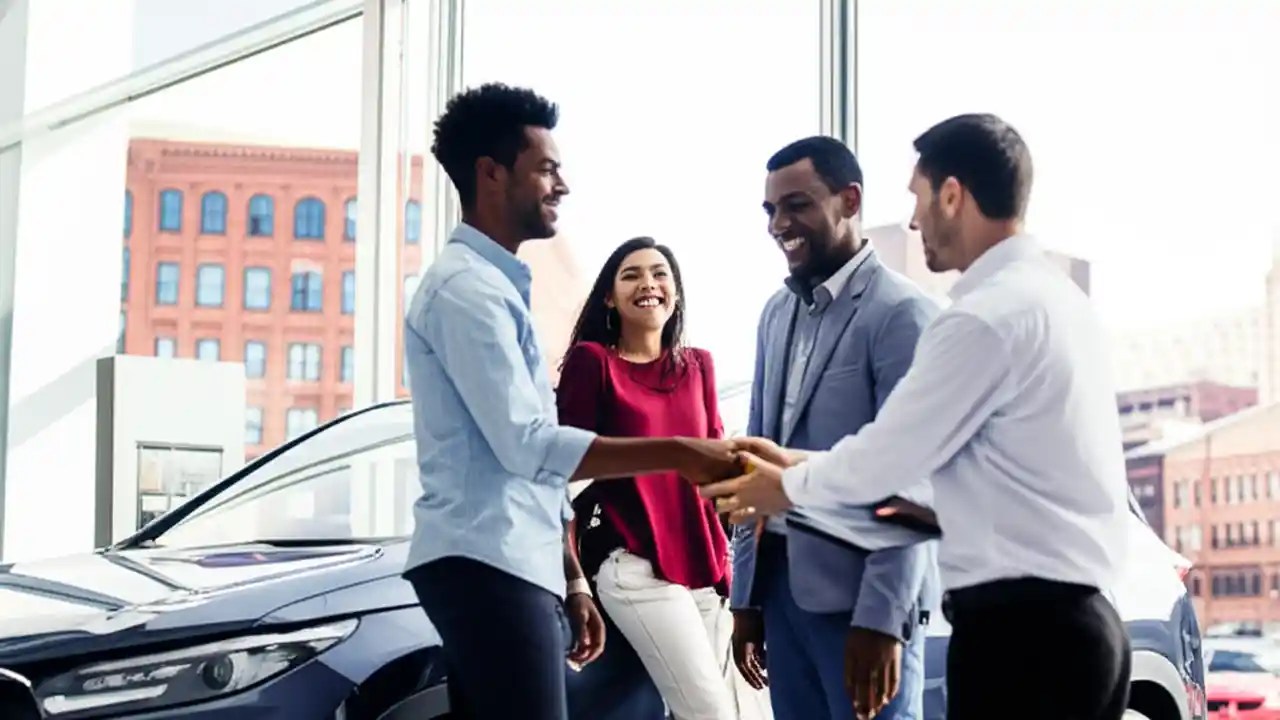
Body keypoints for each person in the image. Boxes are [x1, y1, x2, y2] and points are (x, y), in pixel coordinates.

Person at [703, 113, 1132, 720]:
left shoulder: (977, 318)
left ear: (952, 196)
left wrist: (789, 485)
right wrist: (783, 478)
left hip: (1023, 634)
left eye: (919, 197)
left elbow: (895, 462)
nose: (912, 219)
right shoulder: (1052, 299)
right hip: (1068, 624)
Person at [402, 83, 742, 720]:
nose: (562, 185)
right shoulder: (465, 292)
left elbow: (534, 468)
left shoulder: (496, 287)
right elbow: (528, 444)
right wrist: (681, 453)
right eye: (547, 169)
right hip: (486, 561)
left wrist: (568, 575)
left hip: (510, 561)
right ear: (492, 174)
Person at [728, 136, 939, 720]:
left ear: (849, 200)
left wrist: (882, 618)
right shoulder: (775, 313)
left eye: (796, 205)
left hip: (861, 605)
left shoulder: (902, 315)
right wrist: (746, 599)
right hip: (781, 597)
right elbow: (752, 463)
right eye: (771, 210)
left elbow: (913, 479)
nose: (779, 224)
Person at [558, 236, 737, 720]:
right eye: (631, 274)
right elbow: (559, 471)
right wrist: (573, 577)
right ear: (609, 298)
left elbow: (718, 469)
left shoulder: (699, 366)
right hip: (634, 564)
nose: (649, 284)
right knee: (711, 715)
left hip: (707, 567)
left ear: (675, 292)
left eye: (660, 273)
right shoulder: (594, 362)